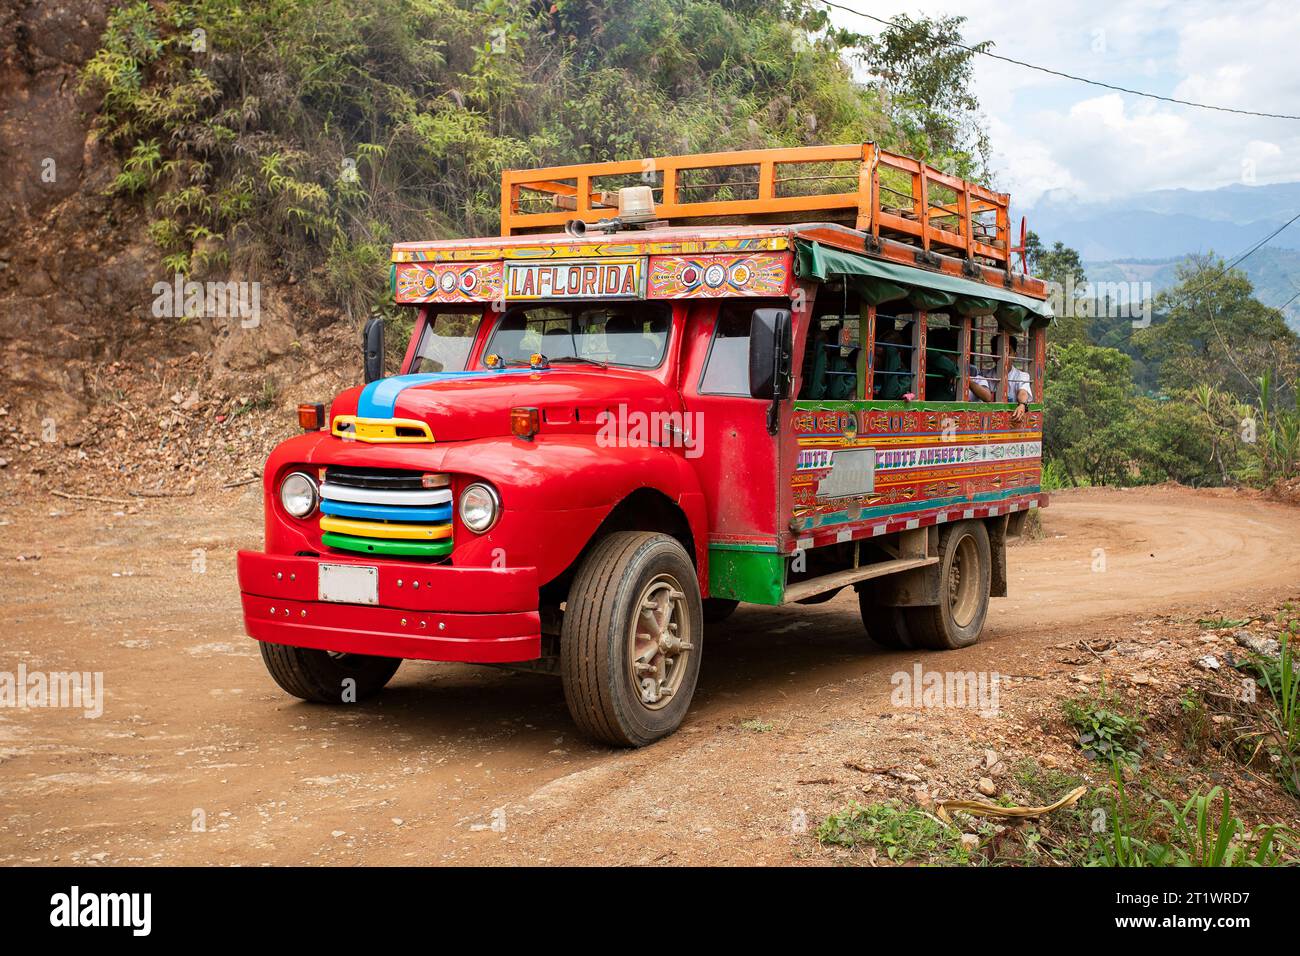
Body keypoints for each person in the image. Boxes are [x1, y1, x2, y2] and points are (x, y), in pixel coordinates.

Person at [969, 334, 1032, 422]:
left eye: (1008, 351)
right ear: (993, 356)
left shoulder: (1022, 376)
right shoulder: (984, 375)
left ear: (1015, 355)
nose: (1003, 356)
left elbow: (1023, 392)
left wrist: (1022, 405)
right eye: (998, 352)